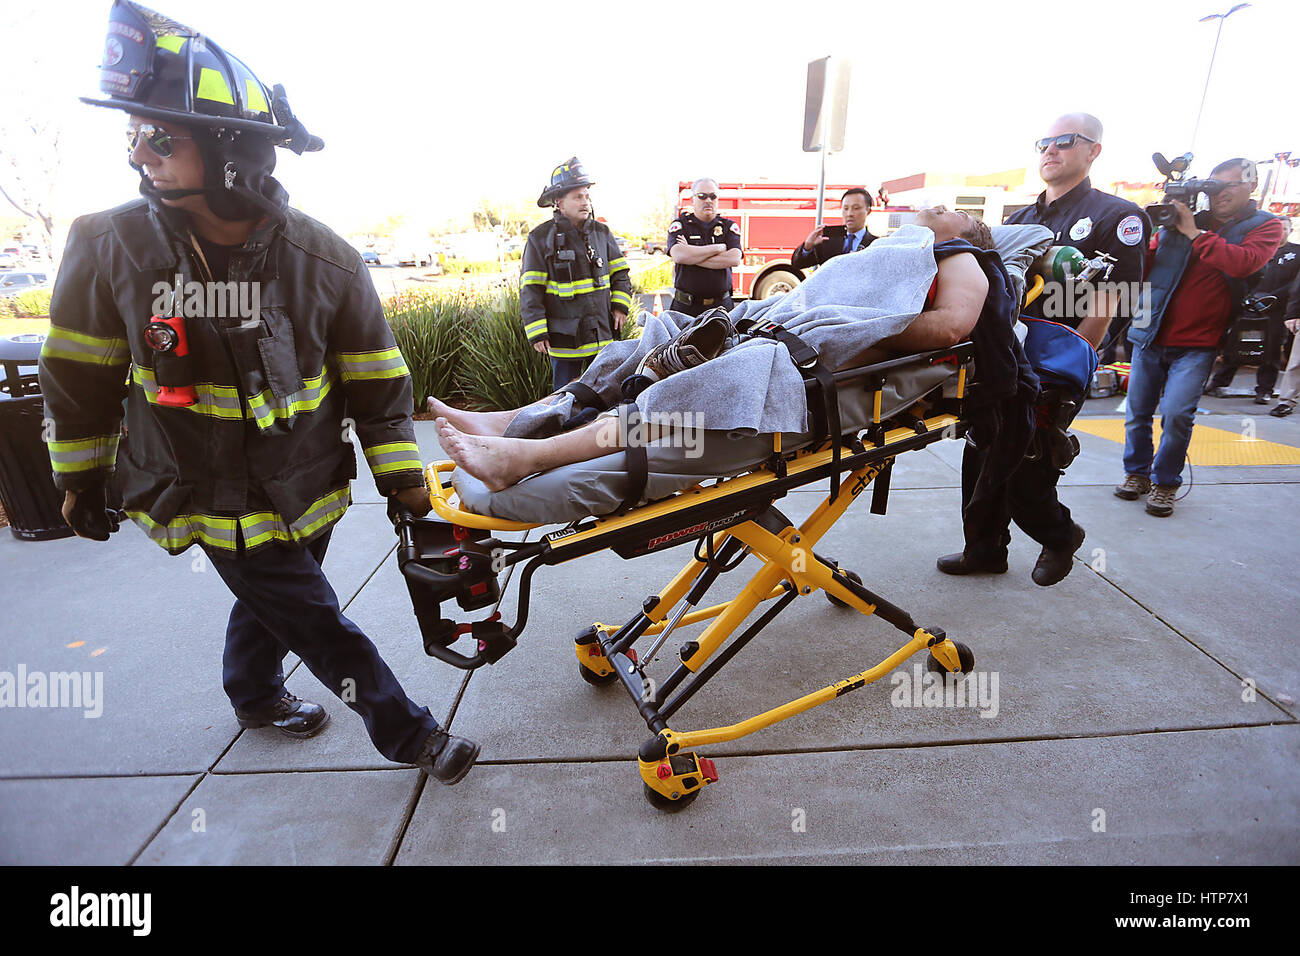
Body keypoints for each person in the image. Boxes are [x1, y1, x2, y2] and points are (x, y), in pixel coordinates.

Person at [39, 1, 478, 785]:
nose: (140, 152)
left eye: (159, 136)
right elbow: (79, 371)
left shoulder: (328, 261)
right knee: (314, 617)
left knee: (273, 597)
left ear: (229, 147)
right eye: (132, 134)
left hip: (306, 485)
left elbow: (377, 380)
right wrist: (77, 475)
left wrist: (403, 478)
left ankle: (250, 693)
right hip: (199, 489)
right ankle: (409, 733)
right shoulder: (107, 245)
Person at [431, 208, 1006, 491]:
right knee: (643, 344)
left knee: (685, 396)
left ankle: (525, 459)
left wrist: (841, 332)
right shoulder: (894, 252)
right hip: (771, 322)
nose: (926, 214)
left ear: (966, 231)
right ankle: (512, 422)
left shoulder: (962, 257)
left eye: (941, 213)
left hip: (801, 353)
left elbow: (951, 327)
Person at [939, 113, 1150, 587]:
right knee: (980, 450)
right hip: (1006, 356)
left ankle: (1059, 536)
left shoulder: (1118, 216)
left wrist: (1073, 368)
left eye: (1065, 141)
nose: (1050, 151)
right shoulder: (1022, 219)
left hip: (1057, 360)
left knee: (1027, 460)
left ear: (1093, 150)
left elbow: (1109, 300)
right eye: (1044, 143)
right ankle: (985, 549)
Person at [1118, 158, 1285, 517]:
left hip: (1199, 342)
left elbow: (1243, 262)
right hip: (1149, 330)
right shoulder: (1176, 223)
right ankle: (1136, 474)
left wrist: (1193, 232)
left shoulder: (1265, 225)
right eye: (1214, 186)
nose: (1220, 194)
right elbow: (1144, 265)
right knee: (1137, 414)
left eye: (1230, 186)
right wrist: (1144, 239)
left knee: (1177, 414)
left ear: (1251, 185)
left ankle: (1165, 483)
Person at [520, 157, 631, 391]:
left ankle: (597, 429)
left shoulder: (602, 233)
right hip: (564, 340)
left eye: (587, 196)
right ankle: (564, 429)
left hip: (603, 336)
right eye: (578, 197)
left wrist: (620, 307)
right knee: (564, 397)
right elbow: (531, 290)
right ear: (559, 202)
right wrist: (537, 331)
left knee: (606, 395)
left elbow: (620, 273)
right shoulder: (540, 239)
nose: (585, 202)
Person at [1204, 216, 1297, 402]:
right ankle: (1218, 383)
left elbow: (1295, 284)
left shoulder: (1296, 253)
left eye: (1285, 229)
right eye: (1278, 228)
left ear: (1290, 231)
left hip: (1276, 310)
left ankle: (1264, 390)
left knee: (1270, 350)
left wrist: (1272, 298)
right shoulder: (1256, 249)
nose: (1281, 233)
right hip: (1248, 306)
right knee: (1235, 345)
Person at [666, 178, 743, 316]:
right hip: (685, 308)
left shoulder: (728, 227)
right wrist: (717, 248)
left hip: (721, 307)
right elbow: (679, 255)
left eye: (713, 196)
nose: (708, 200)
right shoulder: (681, 225)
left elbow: (734, 259)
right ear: (693, 199)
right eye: (702, 196)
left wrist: (691, 254)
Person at [791, 187, 877, 271]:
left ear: (868, 211)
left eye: (856, 208)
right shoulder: (828, 240)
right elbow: (798, 264)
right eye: (845, 208)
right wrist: (807, 246)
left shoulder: (876, 245)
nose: (849, 213)